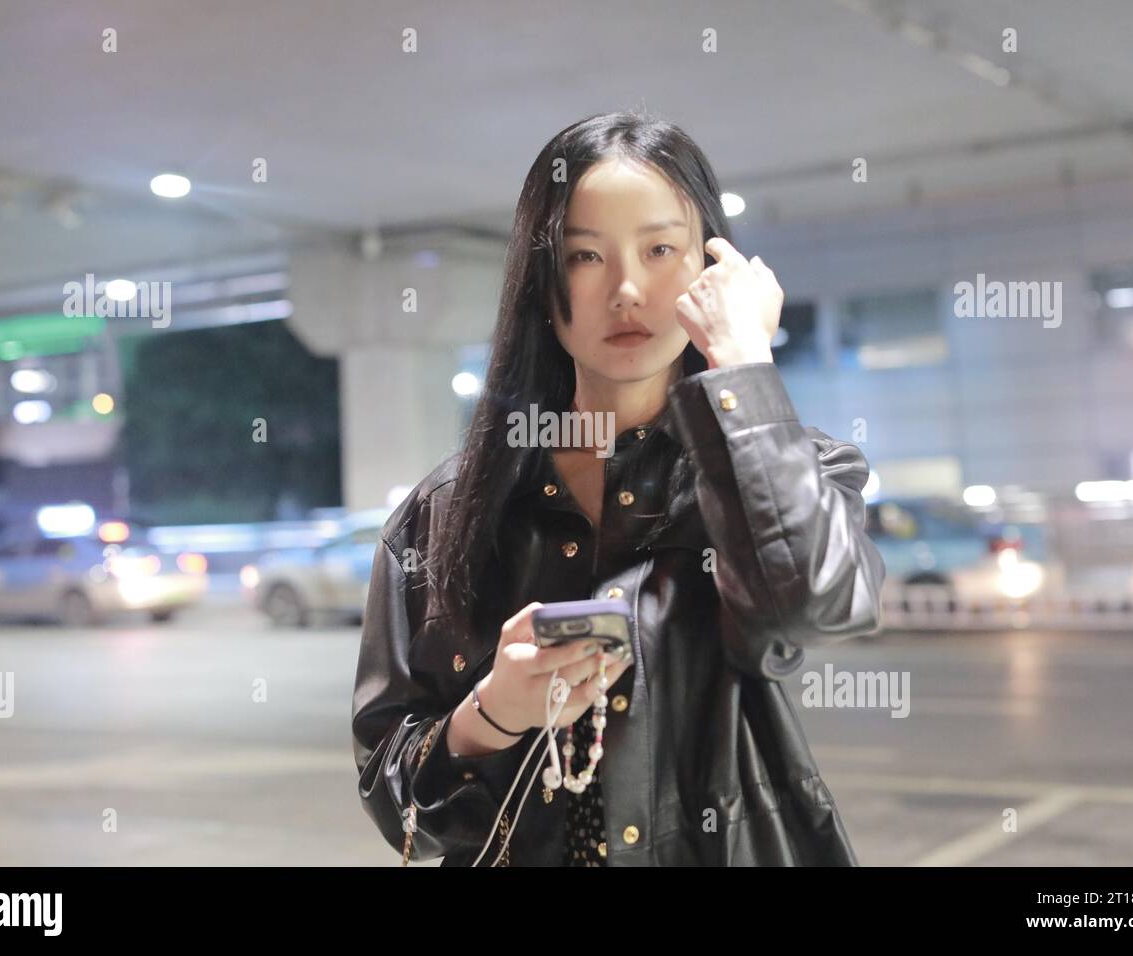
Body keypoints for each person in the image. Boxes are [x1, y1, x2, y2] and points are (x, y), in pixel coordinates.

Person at [352, 110, 886, 866]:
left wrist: (741, 362)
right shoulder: (444, 515)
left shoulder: (791, 465)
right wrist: (492, 714)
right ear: (542, 286)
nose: (628, 289)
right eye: (584, 257)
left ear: (712, 266)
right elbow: (396, 797)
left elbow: (815, 603)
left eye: (661, 248)